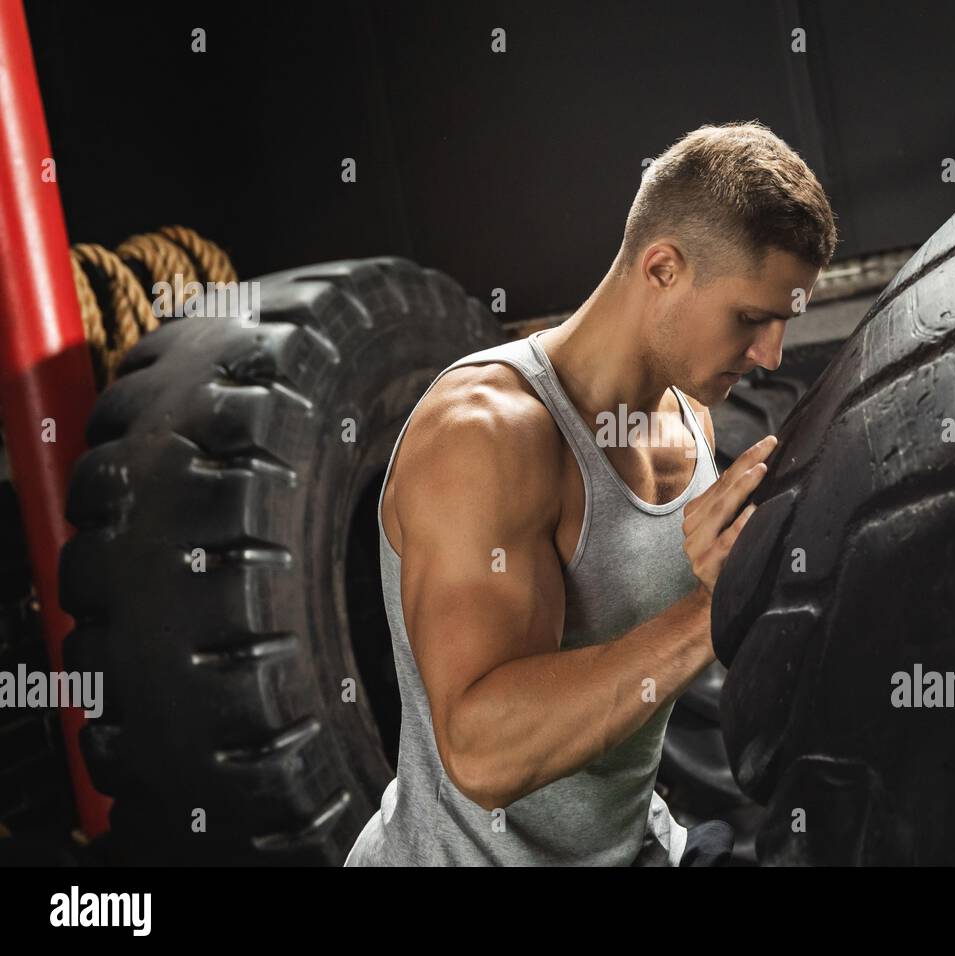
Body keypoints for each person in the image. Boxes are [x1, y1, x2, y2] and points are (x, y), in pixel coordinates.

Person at [344, 121, 837, 865]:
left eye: (783, 322)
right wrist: (712, 608)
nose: (771, 354)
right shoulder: (487, 436)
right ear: (663, 268)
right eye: (751, 318)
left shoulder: (691, 417)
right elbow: (480, 755)